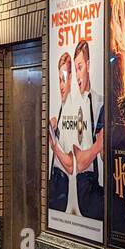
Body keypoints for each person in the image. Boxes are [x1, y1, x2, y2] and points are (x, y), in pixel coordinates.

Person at [71, 39, 105, 220]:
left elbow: (103, 155)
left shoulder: (100, 101)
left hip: (98, 184)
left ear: (89, 65)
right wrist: (100, 143)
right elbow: (81, 162)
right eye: (75, 68)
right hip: (82, 189)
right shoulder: (72, 107)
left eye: (80, 67)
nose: (78, 75)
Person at [48, 53, 74, 212]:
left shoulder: (74, 109)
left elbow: (71, 164)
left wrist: (55, 146)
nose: (61, 85)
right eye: (59, 80)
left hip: (64, 184)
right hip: (55, 180)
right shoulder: (62, 108)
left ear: (71, 78)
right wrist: (54, 130)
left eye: (64, 78)